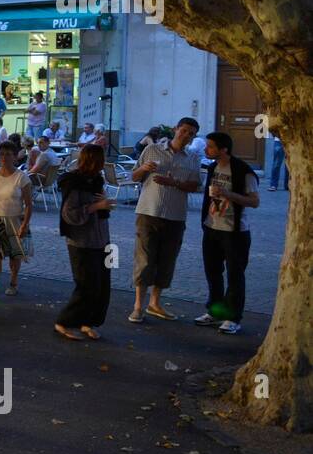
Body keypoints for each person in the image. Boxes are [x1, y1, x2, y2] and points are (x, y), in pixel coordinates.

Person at [129, 117, 201, 323]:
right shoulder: (152, 150)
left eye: (191, 133)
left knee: (167, 261)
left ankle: (155, 303)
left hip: (176, 214)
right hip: (148, 211)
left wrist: (174, 182)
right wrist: (143, 169)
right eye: (184, 130)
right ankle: (137, 306)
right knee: (144, 260)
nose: (186, 135)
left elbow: (196, 186)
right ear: (175, 129)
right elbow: (134, 176)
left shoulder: (193, 157)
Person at [196, 131, 259, 335]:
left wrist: (229, 194)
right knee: (213, 272)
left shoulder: (243, 171)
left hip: (235, 232)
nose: (206, 149)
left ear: (223, 149)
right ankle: (215, 311)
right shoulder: (213, 167)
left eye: (211, 146)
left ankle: (233, 317)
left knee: (235, 275)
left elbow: (254, 201)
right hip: (212, 227)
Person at [54, 144, 115, 340]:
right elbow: (69, 214)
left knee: (102, 285)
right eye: (100, 160)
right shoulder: (74, 182)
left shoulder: (96, 180)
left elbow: (101, 208)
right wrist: (96, 206)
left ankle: (88, 321)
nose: (103, 164)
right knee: (86, 285)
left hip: (102, 240)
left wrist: (104, 205)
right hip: (81, 242)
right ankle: (65, 321)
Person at [0, 142, 32, 298]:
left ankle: (13, 282)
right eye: (1, 154)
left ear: (15, 157)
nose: (4, 157)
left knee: (14, 255)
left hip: (15, 219)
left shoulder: (22, 178)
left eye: (8, 154)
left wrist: (24, 225)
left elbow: (29, 205)